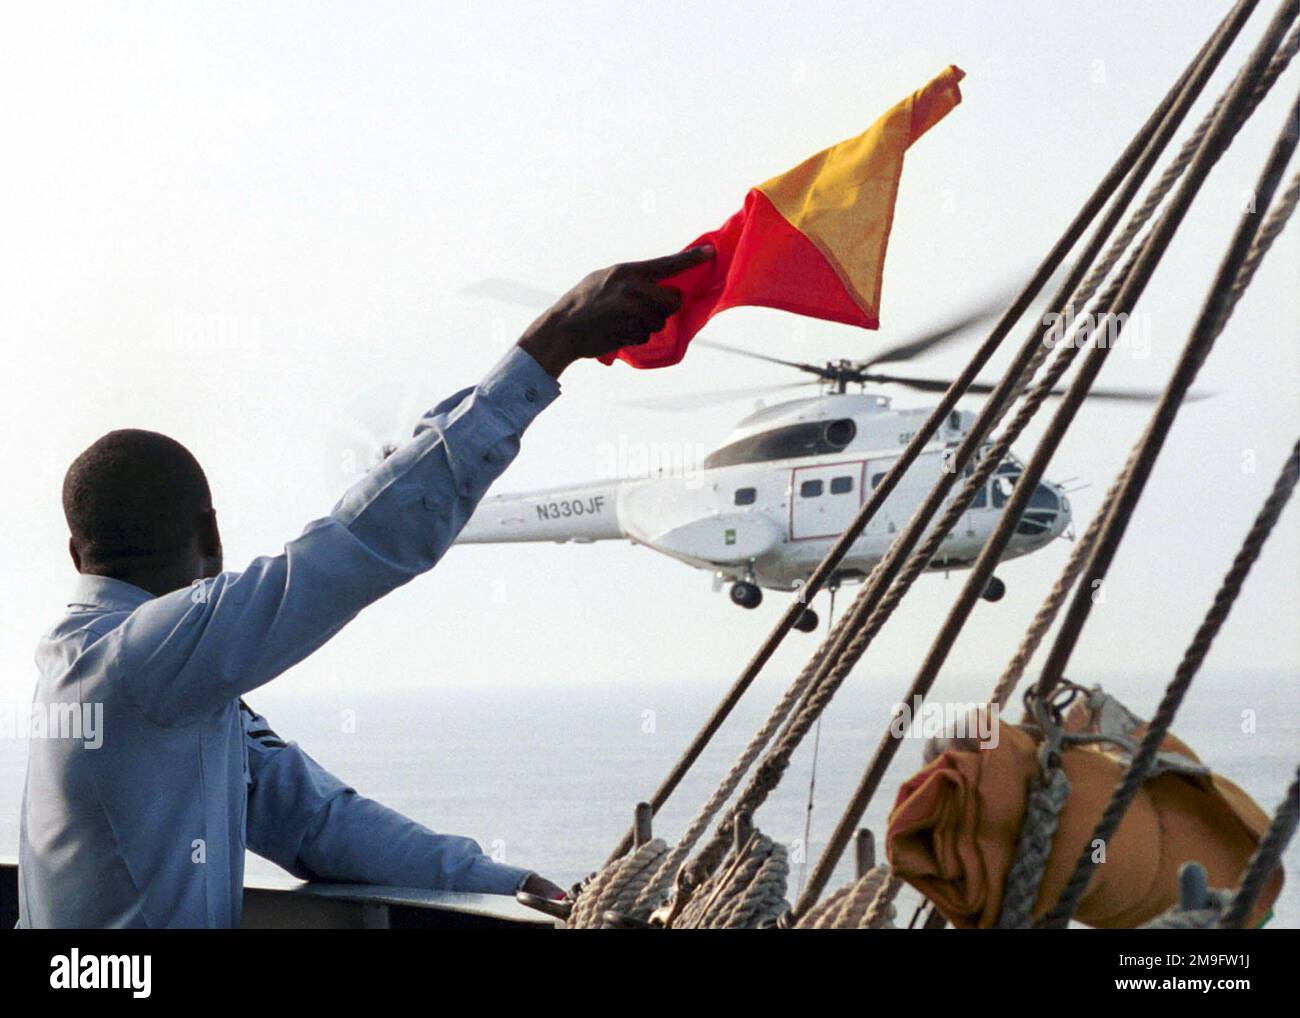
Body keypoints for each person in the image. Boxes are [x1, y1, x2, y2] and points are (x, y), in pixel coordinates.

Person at [19, 244, 715, 928]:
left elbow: (315, 822)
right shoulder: (147, 664)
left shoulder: (132, 677)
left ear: (77, 551)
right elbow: (356, 545)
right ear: (211, 536)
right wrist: (550, 343)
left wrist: (505, 883)